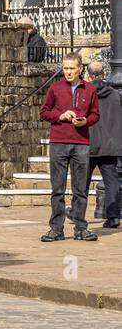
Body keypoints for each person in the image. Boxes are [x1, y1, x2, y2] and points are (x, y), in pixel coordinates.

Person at [39, 52, 99, 241]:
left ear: (80, 68)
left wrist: (85, 121)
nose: (68, 72)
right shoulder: (55, 88)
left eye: (72, 68)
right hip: (58, 143)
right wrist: (60, 116)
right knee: (57, 188)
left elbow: (95, 115)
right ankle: (56, 229)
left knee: (80, 189)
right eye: (65, 68)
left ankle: (81, 228)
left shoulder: (90, 89)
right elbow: (44, 112)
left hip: (81, 143)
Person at [85, 59, 122, 229]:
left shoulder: (85, 93)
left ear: (89, 75)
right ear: (104, 74)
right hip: (110, 144)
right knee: (111, 180)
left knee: (82, 181)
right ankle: (113, 216)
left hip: (90, 143)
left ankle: (78, 213)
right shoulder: (115, 94)